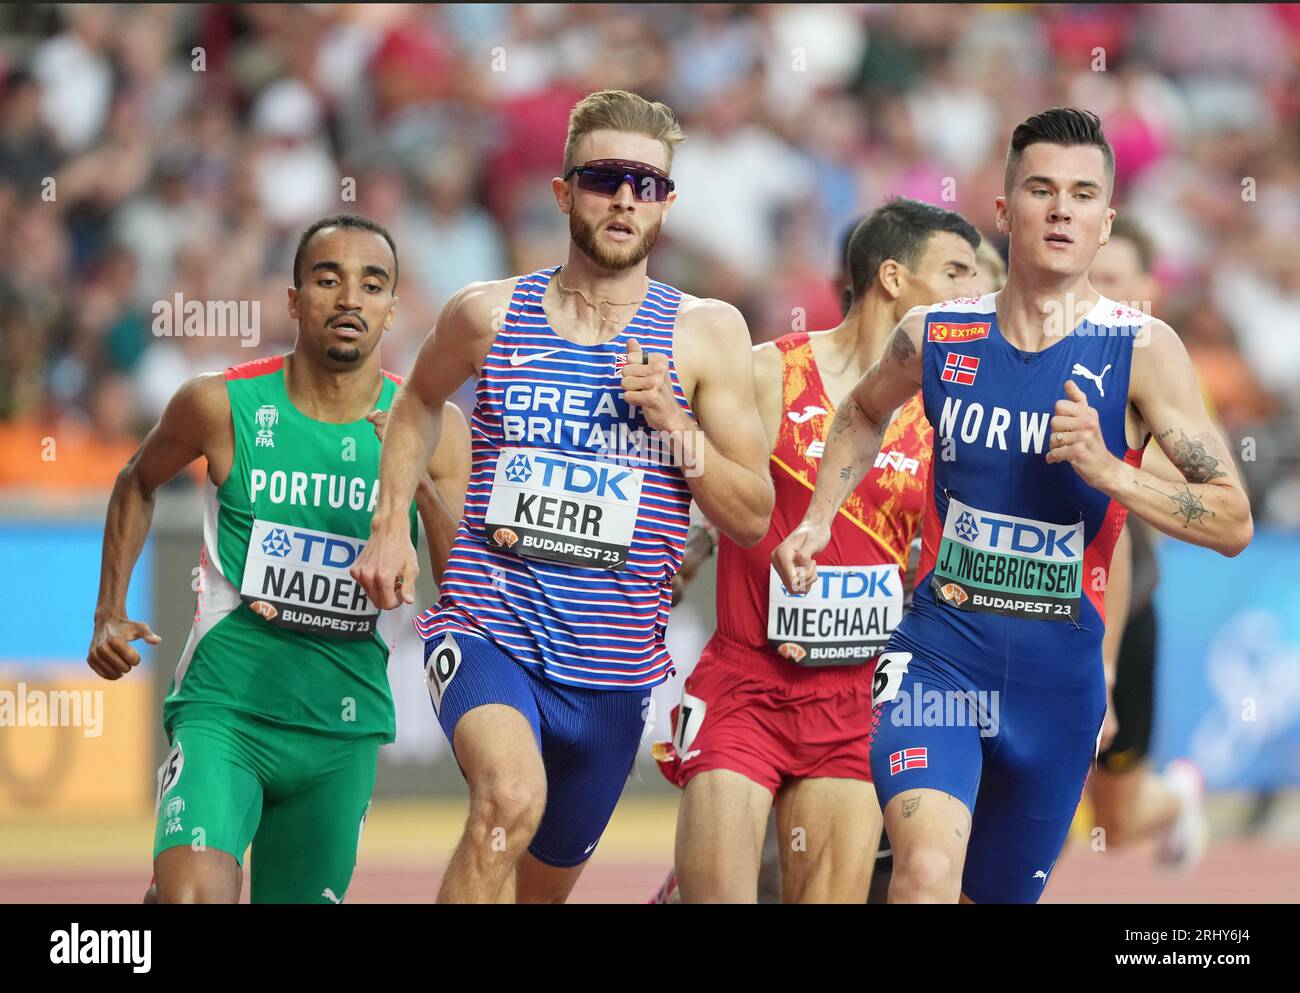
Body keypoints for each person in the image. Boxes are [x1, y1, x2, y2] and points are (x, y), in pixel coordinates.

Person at [773, 108, 1253, 904]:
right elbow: (860, 412)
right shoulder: (935, 336)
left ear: (1105, 223)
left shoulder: (1142, 350)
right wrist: (820, 516)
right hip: (938, 657)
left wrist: (1113, 472)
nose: (1061, 208)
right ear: (1004, 212)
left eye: (1082, 195)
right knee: (925, 873)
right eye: (1040, 189)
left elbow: (1232, 519)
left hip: (1056, 683)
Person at [350, 89, 774, 904]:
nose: (624, 198)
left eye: (646, 184)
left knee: (540, 889)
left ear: (667, 204)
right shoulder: (487, 313)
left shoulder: (706, 332)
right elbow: (414, 404)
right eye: (605, 178)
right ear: (562, 191)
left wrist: (673, 422)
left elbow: (752, 514)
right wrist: (389, 527)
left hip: (614, 673)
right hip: (489, 629)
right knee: (508, 801)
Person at [87, 214, 470, 903]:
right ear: (294, 300)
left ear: (391, 309)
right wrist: (110, 609)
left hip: (342, 726)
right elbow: (136, 480)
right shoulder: (220, 403)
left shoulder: (435, 432)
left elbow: (462, 580)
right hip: (225, 708)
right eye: (328, 279)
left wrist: (415, 482)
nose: (350, 298)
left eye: (372, 284)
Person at [653, 199, 979, 904]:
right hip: (748, 682)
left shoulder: (948, 410)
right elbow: (728, 484)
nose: (973, 294)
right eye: (956, 272)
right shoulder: (769, 373)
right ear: (892, 276)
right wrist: (693, 545)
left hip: (857, 697)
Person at [1085, 216, 1210, 867]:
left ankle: (1180, 796)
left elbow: (1217, 498)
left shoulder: (1161, 370)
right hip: (1031, 607)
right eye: (1089, 277)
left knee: (1118, 819)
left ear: (1145, 292)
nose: (1093, 290)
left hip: (1124, 618)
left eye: (1110, 280)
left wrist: (1111, 461)